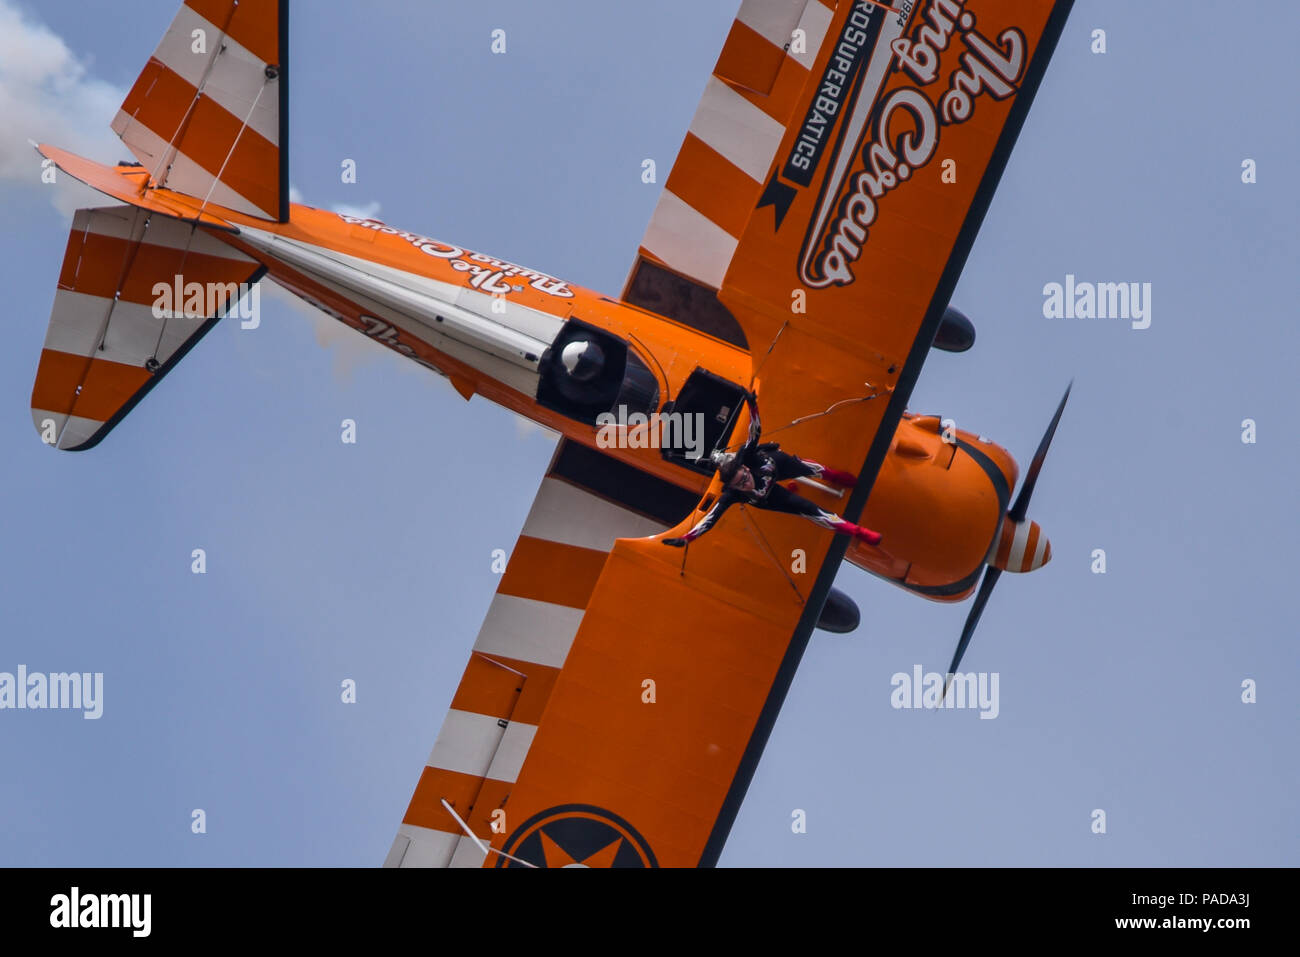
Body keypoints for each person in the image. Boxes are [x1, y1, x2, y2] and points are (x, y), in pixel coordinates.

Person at [663, 392, 883, 547]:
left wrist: (752, 405)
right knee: (810, 511)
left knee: (811, 468)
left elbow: (755, 432)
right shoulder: (732, 494)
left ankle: (833, 476)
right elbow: (710, 519)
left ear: (746, 467)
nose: (745, 484)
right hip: (771, 498)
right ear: (731, 487)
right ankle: (858, 532)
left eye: (744, 477)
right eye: (740, 484)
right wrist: (686, 539)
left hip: (777, 464)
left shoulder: (746, 457)